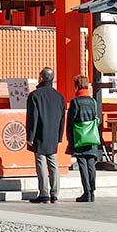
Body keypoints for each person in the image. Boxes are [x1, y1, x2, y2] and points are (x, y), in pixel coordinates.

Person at [25, 66, 65, 203]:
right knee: (53, 163)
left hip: (40, 133)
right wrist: (60, 136)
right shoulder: (60, 96)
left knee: (41, 162)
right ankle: (55, 193)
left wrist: (30, 136)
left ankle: (44, 193)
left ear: (41, 77)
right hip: (53, 134)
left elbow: (33, 118)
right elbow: (62, 118)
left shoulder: (35, 95)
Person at [66, 74, 103, 202]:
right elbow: (97, 119)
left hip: (80, 137)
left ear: (77, 86)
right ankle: (92, 192)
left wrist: (70, 139)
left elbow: (70, 121)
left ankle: (86, 192)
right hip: (92, 137)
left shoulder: (75, 102)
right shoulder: (93, 102)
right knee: (91, 165)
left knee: (82, 165)